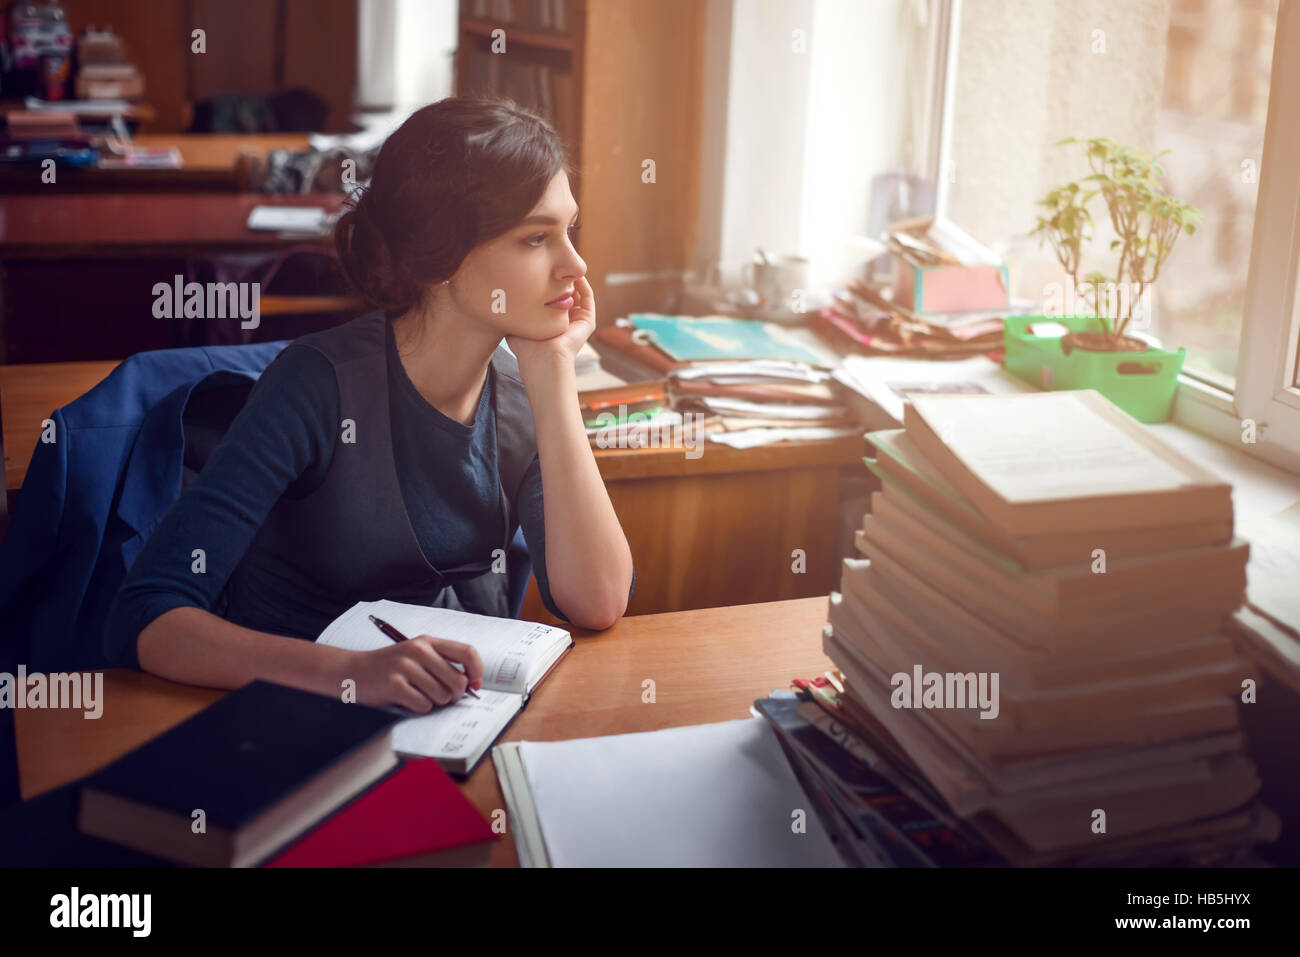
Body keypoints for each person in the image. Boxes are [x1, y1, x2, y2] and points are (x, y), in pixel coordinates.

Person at [103, 97, 635, 713]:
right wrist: (353, 674)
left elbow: (596, 602)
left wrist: (553, 371)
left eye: (570, 230)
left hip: (439, 718)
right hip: (286, 720)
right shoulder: (315, 386)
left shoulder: (523, 398)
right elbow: (148, 614)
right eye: (537, 237)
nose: (577, 263)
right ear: (440, 254)